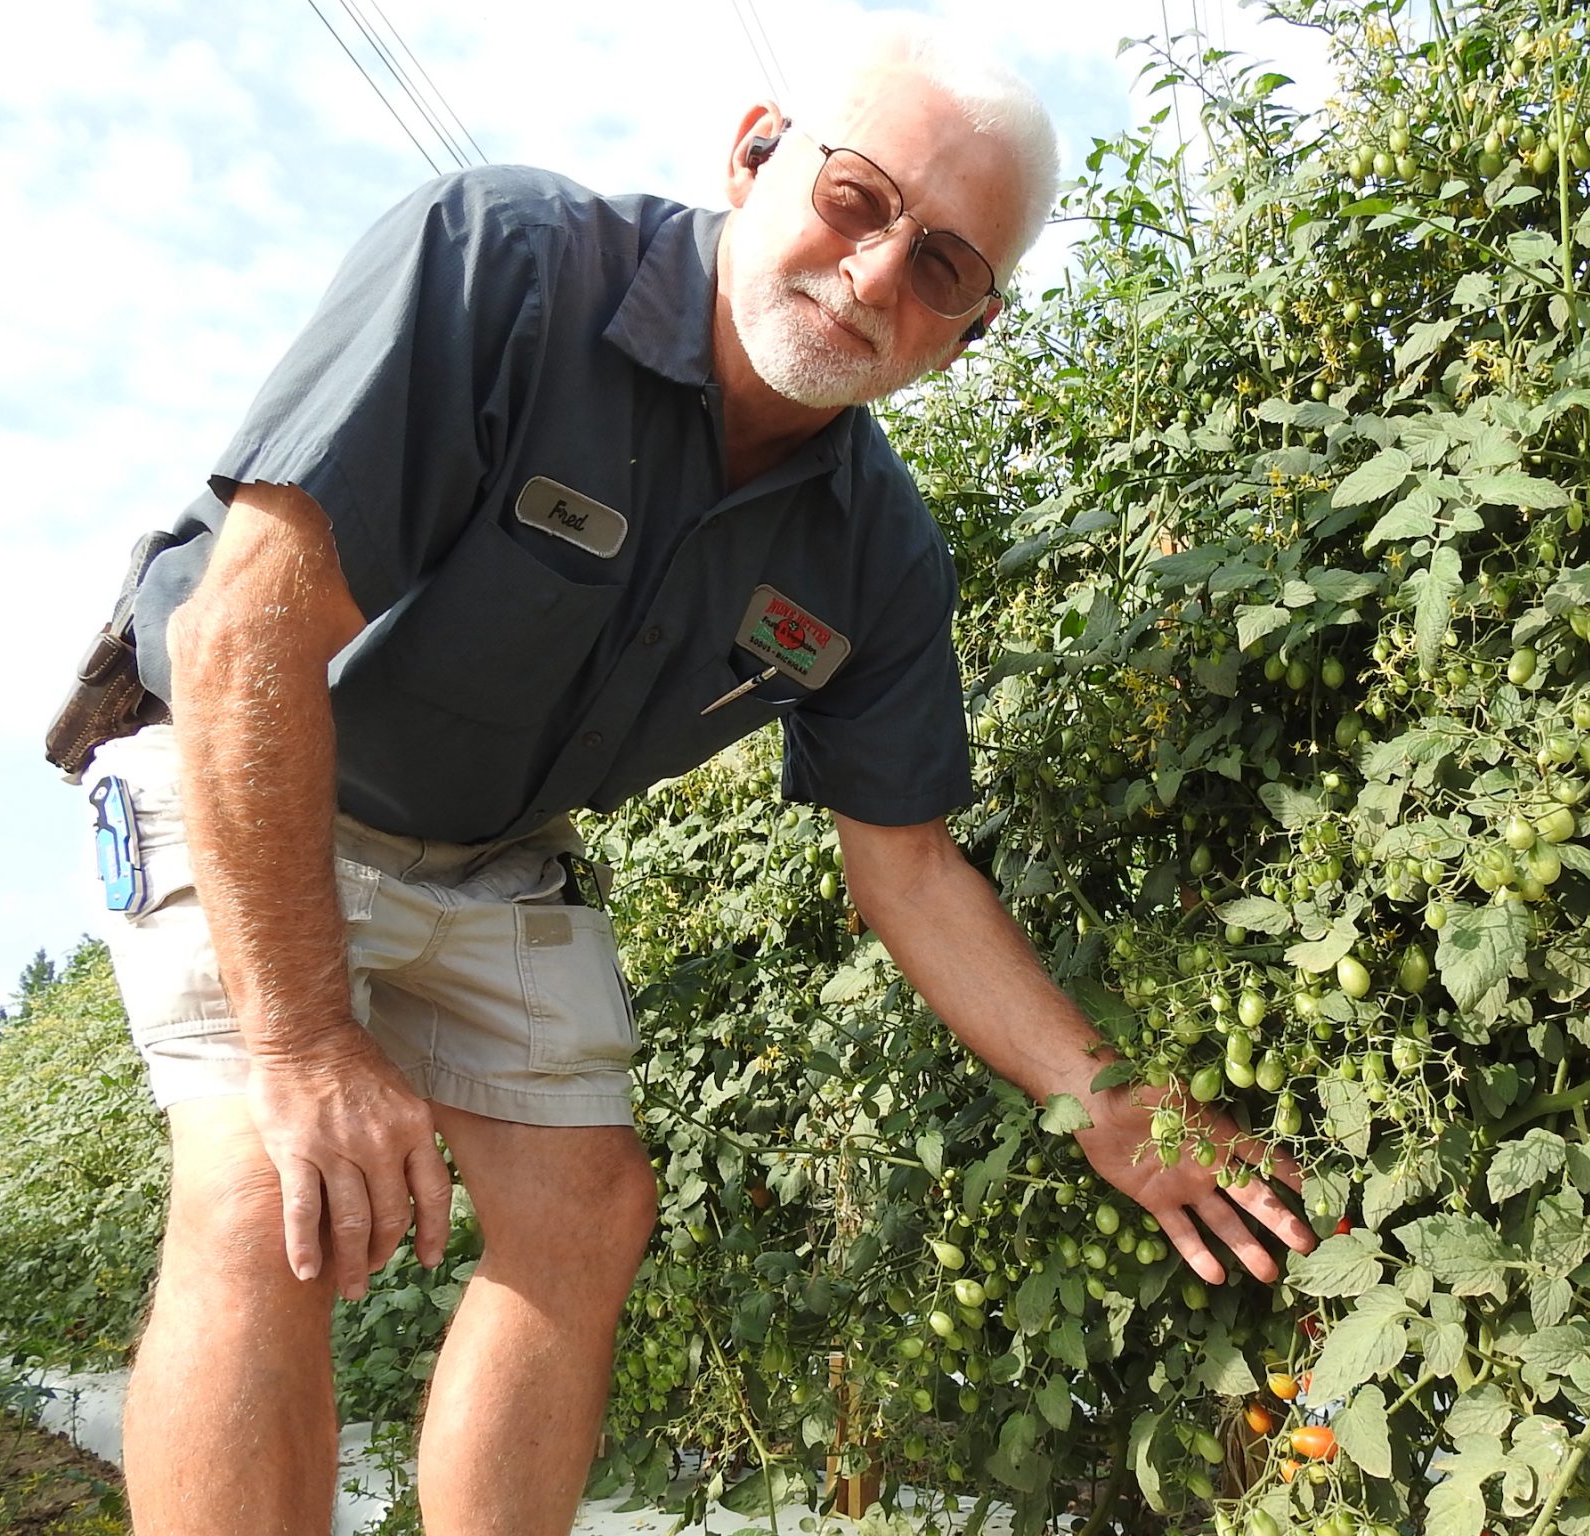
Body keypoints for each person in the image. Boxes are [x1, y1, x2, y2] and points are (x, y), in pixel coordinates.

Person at [75, 18, 1316, 1534]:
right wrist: (310, 1043)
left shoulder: (876, 555)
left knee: (586, 1211)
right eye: (856, 199)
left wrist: (1114, 1109)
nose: (871, 277)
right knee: (267, 1190)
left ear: (968, 334)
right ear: (756, 153)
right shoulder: (509, 262)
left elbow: (909, 868)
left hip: (492, 844)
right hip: (249, 755)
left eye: (940, 268)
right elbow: (243, 637)